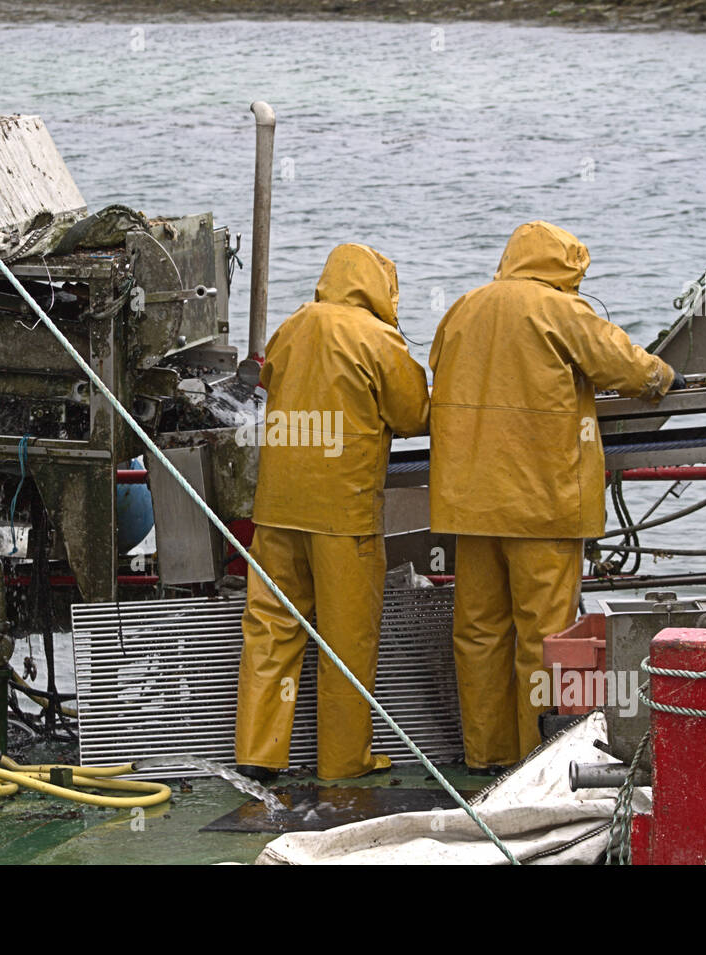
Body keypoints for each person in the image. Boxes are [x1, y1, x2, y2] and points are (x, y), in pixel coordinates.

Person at [429, 220, 682, 774]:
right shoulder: (560, 309)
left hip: (470, 503)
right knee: (543, 638)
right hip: (541, 503)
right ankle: (534, 760)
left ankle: (485, 756)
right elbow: (625, 365)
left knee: (478, 632)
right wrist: (664, 374)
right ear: (564, 270)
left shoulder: (463, 309)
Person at [235, 243, 430, 782]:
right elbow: (414, 414)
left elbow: (270, 380)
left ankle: (259, 753)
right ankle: (344, 761)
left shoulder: (294, 325)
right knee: (346, 641)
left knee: (272, 626)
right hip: (343, 516)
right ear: (380, 288)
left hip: (277, 508)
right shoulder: (378, 338)